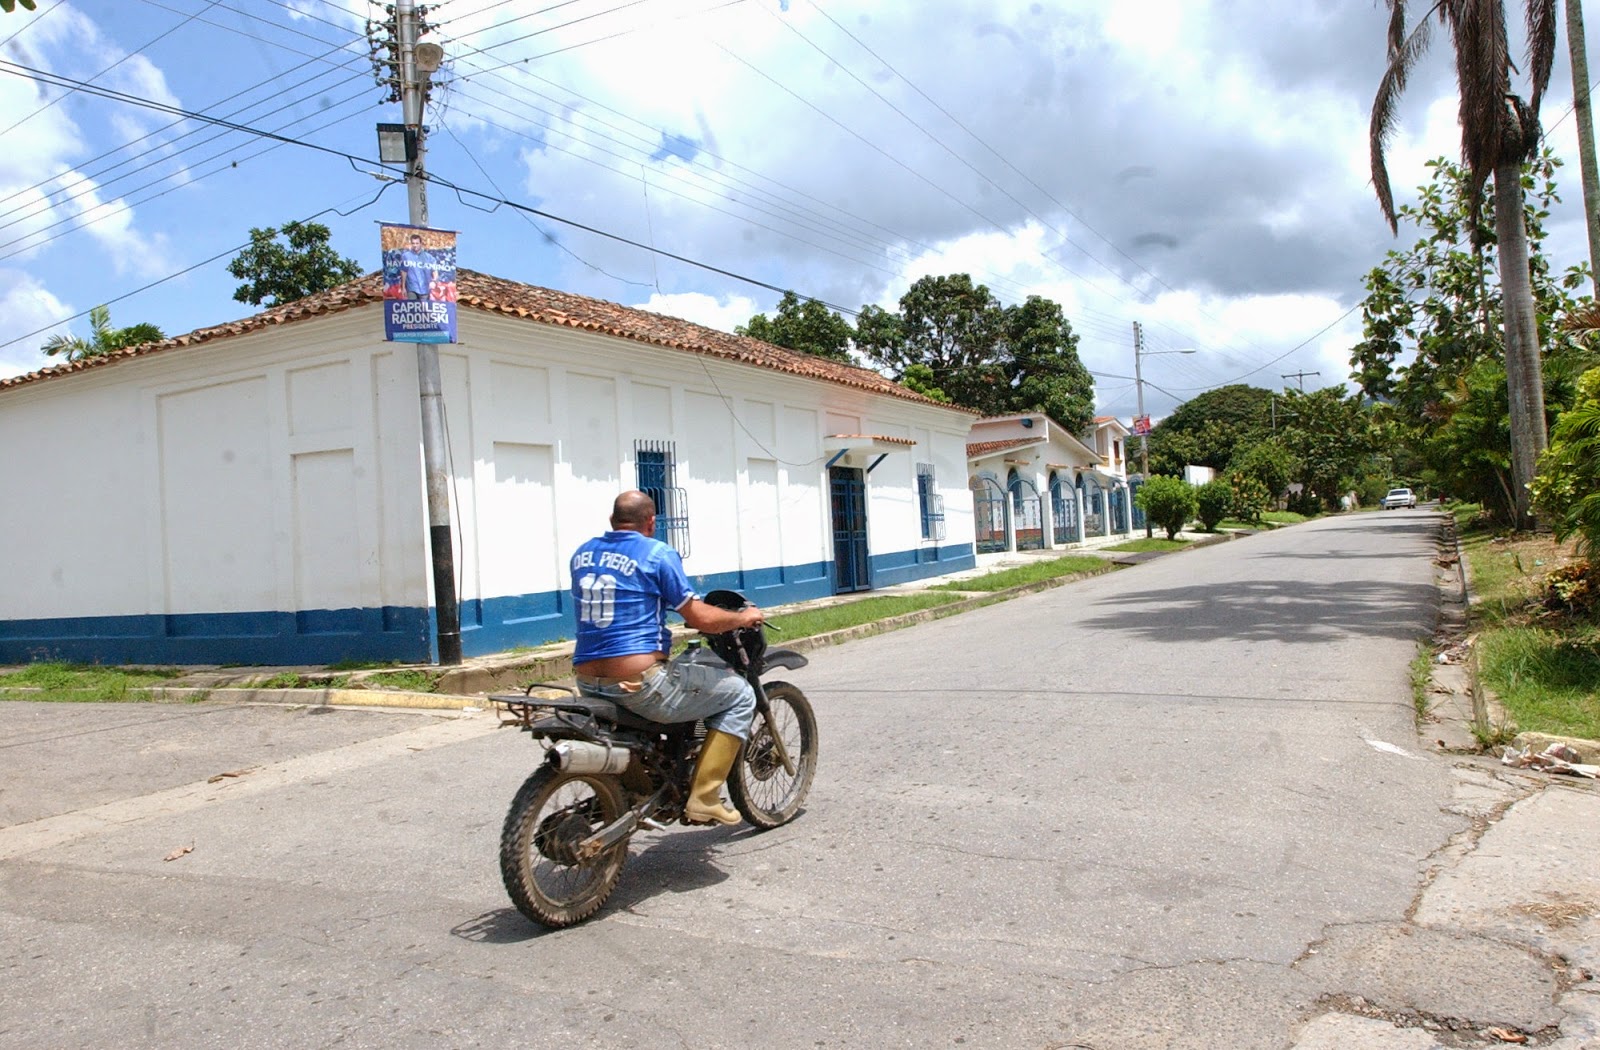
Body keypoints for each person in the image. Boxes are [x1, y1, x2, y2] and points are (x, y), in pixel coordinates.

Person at [570, 490, 764, 825]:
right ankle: (704, 797)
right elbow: (699, 617)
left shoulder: (582, 553)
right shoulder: (657, 553)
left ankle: (645, 784)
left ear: (612, 520)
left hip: (588, 682)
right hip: (639, 684)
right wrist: (742, 618)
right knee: (740, 695)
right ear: (651, 522)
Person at [399, 234, 432, 301]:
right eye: (413, 243)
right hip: (412, 287)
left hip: (424, 288)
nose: (415, 245)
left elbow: (434, 270)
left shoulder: (427, 257)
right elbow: (404, 272)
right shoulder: (406, 256)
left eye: (417, 243)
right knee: (413, 308)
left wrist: (434, 281)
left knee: (424, 310)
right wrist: (403, 287)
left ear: (420, 244)